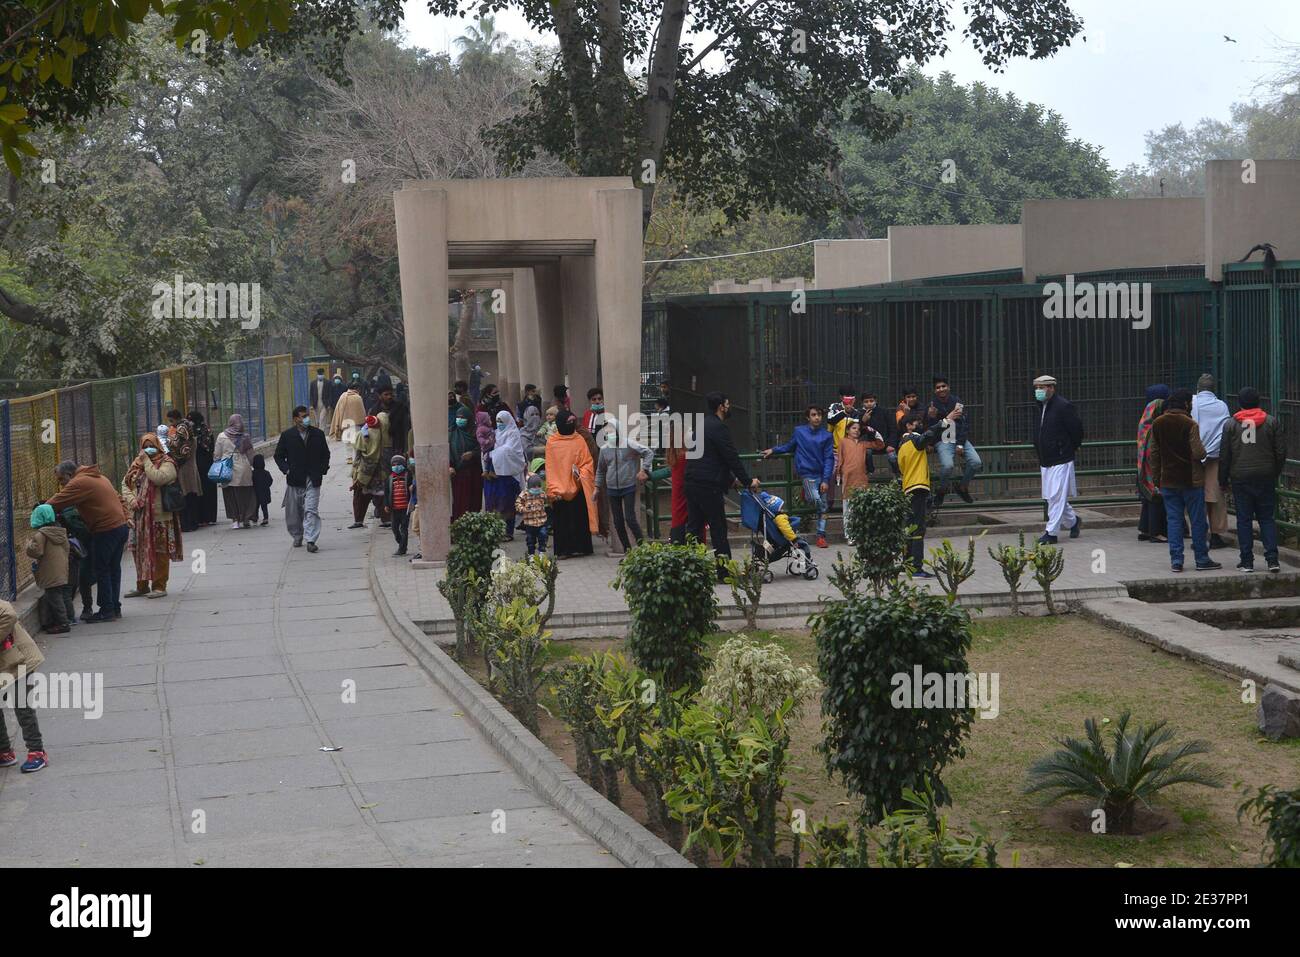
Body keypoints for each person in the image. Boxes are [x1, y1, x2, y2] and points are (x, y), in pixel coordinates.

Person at [685, 392, 761, 572]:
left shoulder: (702, 424)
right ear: (721, 406)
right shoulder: (719, 428)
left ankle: (692, 569)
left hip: (692, 481)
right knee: (718, 528)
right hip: (708, 485)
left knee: (694, 527)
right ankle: (724, 570)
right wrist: (748, 481)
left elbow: (709, 457)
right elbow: (730, 457)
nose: (729, 407)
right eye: (728, 404)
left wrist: (730, 479)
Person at [46, 459, 129, 623]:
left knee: (102, 570)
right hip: (120, 527)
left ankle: (107, 610)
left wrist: (41, 510)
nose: (61, 484)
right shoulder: (97, 476)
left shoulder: (79, 482)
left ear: (69, 474)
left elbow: (56, 502)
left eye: (61, 479)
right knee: (113, 569)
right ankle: (114, 608)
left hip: (106, 530)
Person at [1150, 389, 1220, 572]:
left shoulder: (1157, 424)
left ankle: (1176, 561)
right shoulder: (1190, 424)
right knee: (1198, 521)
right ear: (1186, 405)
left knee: (1173, 521)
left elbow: (1154, 455)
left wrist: (1157, 479)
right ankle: (1202, 559)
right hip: (1191, 481)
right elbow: (1199, 453)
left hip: (1168, 482)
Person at [1220, 386, 1288, 573]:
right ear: (1259, 401)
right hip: (1265, 475)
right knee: (1267, 518)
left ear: (1240, 403)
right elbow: (1281, 451)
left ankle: (1247, 561)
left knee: (1243, 519)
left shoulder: (1231, 424)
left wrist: (1222, 479)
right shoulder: (1271, 422)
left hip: (1240, 477)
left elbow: (1225, 455)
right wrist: (1275, 470)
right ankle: (1272, 560)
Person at [762, 404, 835, 548]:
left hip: (821, 474)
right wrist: (774, 450)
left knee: (822, 505)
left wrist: (826, 479)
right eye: (814, 415)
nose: (817, 417)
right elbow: (789, 446)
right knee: (818, 501)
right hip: (807, 473)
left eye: (819, 415)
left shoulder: (827, 435)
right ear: (808, 417)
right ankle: (807, 495)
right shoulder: (799, 432)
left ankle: (821, 535)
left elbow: (829, 458)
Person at [122, 432, 184, 598]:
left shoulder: (167, 462)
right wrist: (132, 500)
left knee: (160, 551)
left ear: (157, 446)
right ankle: (141, 585)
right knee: (138, 551)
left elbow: (158, 478)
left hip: (160, 517)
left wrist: (147, 462)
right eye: (145, 446)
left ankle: (159, 586)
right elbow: (125, 483)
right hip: (139, 517)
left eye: (151, 446)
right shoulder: (137, 463)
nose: (148, 449)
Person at [897, 410, 951, 578]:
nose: (920, 425)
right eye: (916, 423)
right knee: (918, 528)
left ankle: (906, 564)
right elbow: (926, 436)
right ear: (908, 426)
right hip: (918, 487)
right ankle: (916, 567)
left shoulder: (902, 444)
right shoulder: (913, 440)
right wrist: (945, 421)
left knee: (909, 528)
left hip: (908, 488)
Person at [1031, 375, 1084, 545]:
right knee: (1052, 496)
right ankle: (1073, 521)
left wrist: (1067, 448)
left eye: (1042, 387)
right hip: (1046, 458)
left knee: (1055, 496)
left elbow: (1076, 430)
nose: (1039, 391)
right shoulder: (1040, 406)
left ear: (1051, 388)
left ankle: (1051, 532)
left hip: (1061, 457)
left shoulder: (1063, 406)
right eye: (1037, 387)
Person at [0, 599, 48, 772]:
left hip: (19, 659)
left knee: (22, 707)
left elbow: (8, 613)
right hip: (4, 663)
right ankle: (4, 751)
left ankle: (37, 752)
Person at [274, 405, 330, 551]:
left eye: (307, 415)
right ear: (295, 419)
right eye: (302, 416)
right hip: (295, 479)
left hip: (313, 478)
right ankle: (297, 535)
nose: (306, 418)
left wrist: (322, 469)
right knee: (294, 513)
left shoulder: (317, 434)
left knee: (311, 509)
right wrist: (286, 469)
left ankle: (311, 540)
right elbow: (278, 456)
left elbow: (325, 454)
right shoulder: (287, 436)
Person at [595, 419, 654, 555]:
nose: (609, 433)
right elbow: (600, 470)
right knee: (617, 522)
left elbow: (648, 452)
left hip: (628, 486)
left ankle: (644, 550)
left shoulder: (629, 444)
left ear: (617, 431)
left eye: (611, 430)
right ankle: (628, 552)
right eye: (606, 431)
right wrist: (597, 487)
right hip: (611, 489)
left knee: (630, 518)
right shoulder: (604, 450)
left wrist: (644, 470)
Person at [545, 410, 597, 558]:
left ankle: (582, 548)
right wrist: (554, 489)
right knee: (562, 521)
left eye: (572, 422)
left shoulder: (579, 439)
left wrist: (581, 473)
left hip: (578, 485)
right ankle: (563, 550)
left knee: (579, 517)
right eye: (567, 422)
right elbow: (551, 467)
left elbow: (587, 462)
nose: (570, 425)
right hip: (559, 489)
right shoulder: (552, 442)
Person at [926, 376, 982, 504]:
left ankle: (962, 487)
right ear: (935, 390)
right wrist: (934, 417)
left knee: (976, 462)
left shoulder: (957, 402)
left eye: (943, 386)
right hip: (943, 440)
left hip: (958, 439)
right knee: (947, 466)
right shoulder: (932, 405)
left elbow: (964, 424)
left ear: (948, 387)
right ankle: (942, 490)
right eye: (938, 387)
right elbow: (932, 428)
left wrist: (961, 444)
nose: (941, 389)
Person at [1191, 374, 1231, 549]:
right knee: (1215, 496)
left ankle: (1198, 536)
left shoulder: (1192, 402)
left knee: (1195, 496)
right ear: (1214, 389)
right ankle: (1216, 535)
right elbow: (1225, 430)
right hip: (1215, 457)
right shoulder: (1222, 405)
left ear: (1198, 388)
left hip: (1193, 457)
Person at [25, 504, 70, 634]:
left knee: (54, 597)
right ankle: (62, 619)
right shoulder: (61, 532)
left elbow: (36, 551)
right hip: (61, 569)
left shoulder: (41, 535)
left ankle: (63, 623)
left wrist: (28, 545)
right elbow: (67, 548)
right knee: (58, 595)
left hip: (49, 571)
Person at [485, 409, 527, 541]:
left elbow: (511, 451)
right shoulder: (496, 433)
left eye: (501, 421)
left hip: (508, 474)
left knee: (507, 503)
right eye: (497, 421)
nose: (499, 424)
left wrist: (493, 453)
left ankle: (508, 532)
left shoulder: (513, 433)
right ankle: (496, 531)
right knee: (494, 502)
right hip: (494, 474)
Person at [1136, 384, 1170, 543]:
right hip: (1152, 467)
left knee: (1147, 498)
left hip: (1143, 467)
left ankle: (1145, 528)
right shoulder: (1156, 425)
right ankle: (1156, 532)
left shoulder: (1145, 420)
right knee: (1156, 497)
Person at [212, 413, 258, 529]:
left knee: (230, 495)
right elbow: (251, 455)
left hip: (227, 468)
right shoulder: (245, 436)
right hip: (244, 467)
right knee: (246, 494)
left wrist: (217, 465)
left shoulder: (222, 436)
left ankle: (235, 520)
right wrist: (255, 467)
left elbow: (217, 454)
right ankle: (246, 517)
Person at [166, 409, 201, 533]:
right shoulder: (188, 427)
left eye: (171, 421)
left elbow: (180, 449)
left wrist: (169, 442)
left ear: (176, 418)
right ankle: (194, 522)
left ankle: (187, 524)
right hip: (191, 468)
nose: (170, 424)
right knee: (192, 495)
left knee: (185, 496)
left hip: (184, 469)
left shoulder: (181, 430)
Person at [349, 414, 386, 528]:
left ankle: (358, 520)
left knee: (360, 495)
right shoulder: (382, 435)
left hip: (364, 470)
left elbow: (358, 456)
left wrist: (355, 473)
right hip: (379, 471)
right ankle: (386, 519)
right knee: (381, 496)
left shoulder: (361, 435)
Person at [835, 417, 886, 499]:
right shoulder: (843, 441)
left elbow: (880, 445)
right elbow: (840, 457)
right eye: (853, 428)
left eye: (858, 429)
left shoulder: (863, 444)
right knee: (847, 495)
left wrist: (873, 431)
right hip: (848, 472)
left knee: (861, 496)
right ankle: (847, 512)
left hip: (861, 473)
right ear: (847, 430)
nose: (856, 430)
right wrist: (838, 471)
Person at [449, 403, 484, 520]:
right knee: (459, 502)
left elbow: (483, 450)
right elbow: (447, 452)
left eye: (463, 418)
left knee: (473, 502)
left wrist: (473, 454)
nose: (460, 420)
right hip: (458, 475)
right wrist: (450, 466)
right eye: (458, 417)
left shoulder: (476, 434)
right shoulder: (452, 434)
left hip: (474, 474)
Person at [189, 410, 218, 527]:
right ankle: (210, 516)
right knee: (208, 491)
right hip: (207, 464)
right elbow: (210, 447)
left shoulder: (194, 432)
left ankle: (201, 517)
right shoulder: (207, 430)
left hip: (198, 464)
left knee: (200, 491)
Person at [859, 392, 895, 476]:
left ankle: (897, 474)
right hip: (869, 444)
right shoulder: (859, 414)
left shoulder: (884, 412)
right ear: (862, 403)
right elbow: (857, 433)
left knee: (893, 457)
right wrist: (863, 421)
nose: (869, 403)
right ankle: (871, 473)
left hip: (885, 443)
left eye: (871, 401)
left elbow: (893, 429)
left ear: (875, 401)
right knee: (866, 453)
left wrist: (891, 444)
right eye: (866, 401)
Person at [515, 473, 550, 556]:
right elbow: (517, 503)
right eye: (534, 486)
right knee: (530, 539)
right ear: (530, 486)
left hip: (541, 521)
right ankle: (531, 554)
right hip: (529, 523)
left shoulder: (542, 494)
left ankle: (542, 552)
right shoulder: (524, 494)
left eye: (538, 486)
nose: (536, 488)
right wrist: (523, 509)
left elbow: (548, 500)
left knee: (543, 536)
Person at [387, 454, 412, 556]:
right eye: (394, 464)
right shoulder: (389, 478)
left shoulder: (407, 476)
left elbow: (411, 490)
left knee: (404, 528)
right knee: (394, 528)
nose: (396, 466)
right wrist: (387, 505)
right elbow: (387, 492)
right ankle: (401, 542)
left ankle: (402, 549)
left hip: (405, 509)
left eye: (398, 464)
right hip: (394, 509)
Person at [252, 454, 273, 526]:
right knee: (264, 507)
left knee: (255, 507)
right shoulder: (266, 473)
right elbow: (270, 481)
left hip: (255, 493)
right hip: (264, 493)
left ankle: (255, 518)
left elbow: (251, 483)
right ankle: (265, 518)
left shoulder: (253, 473)